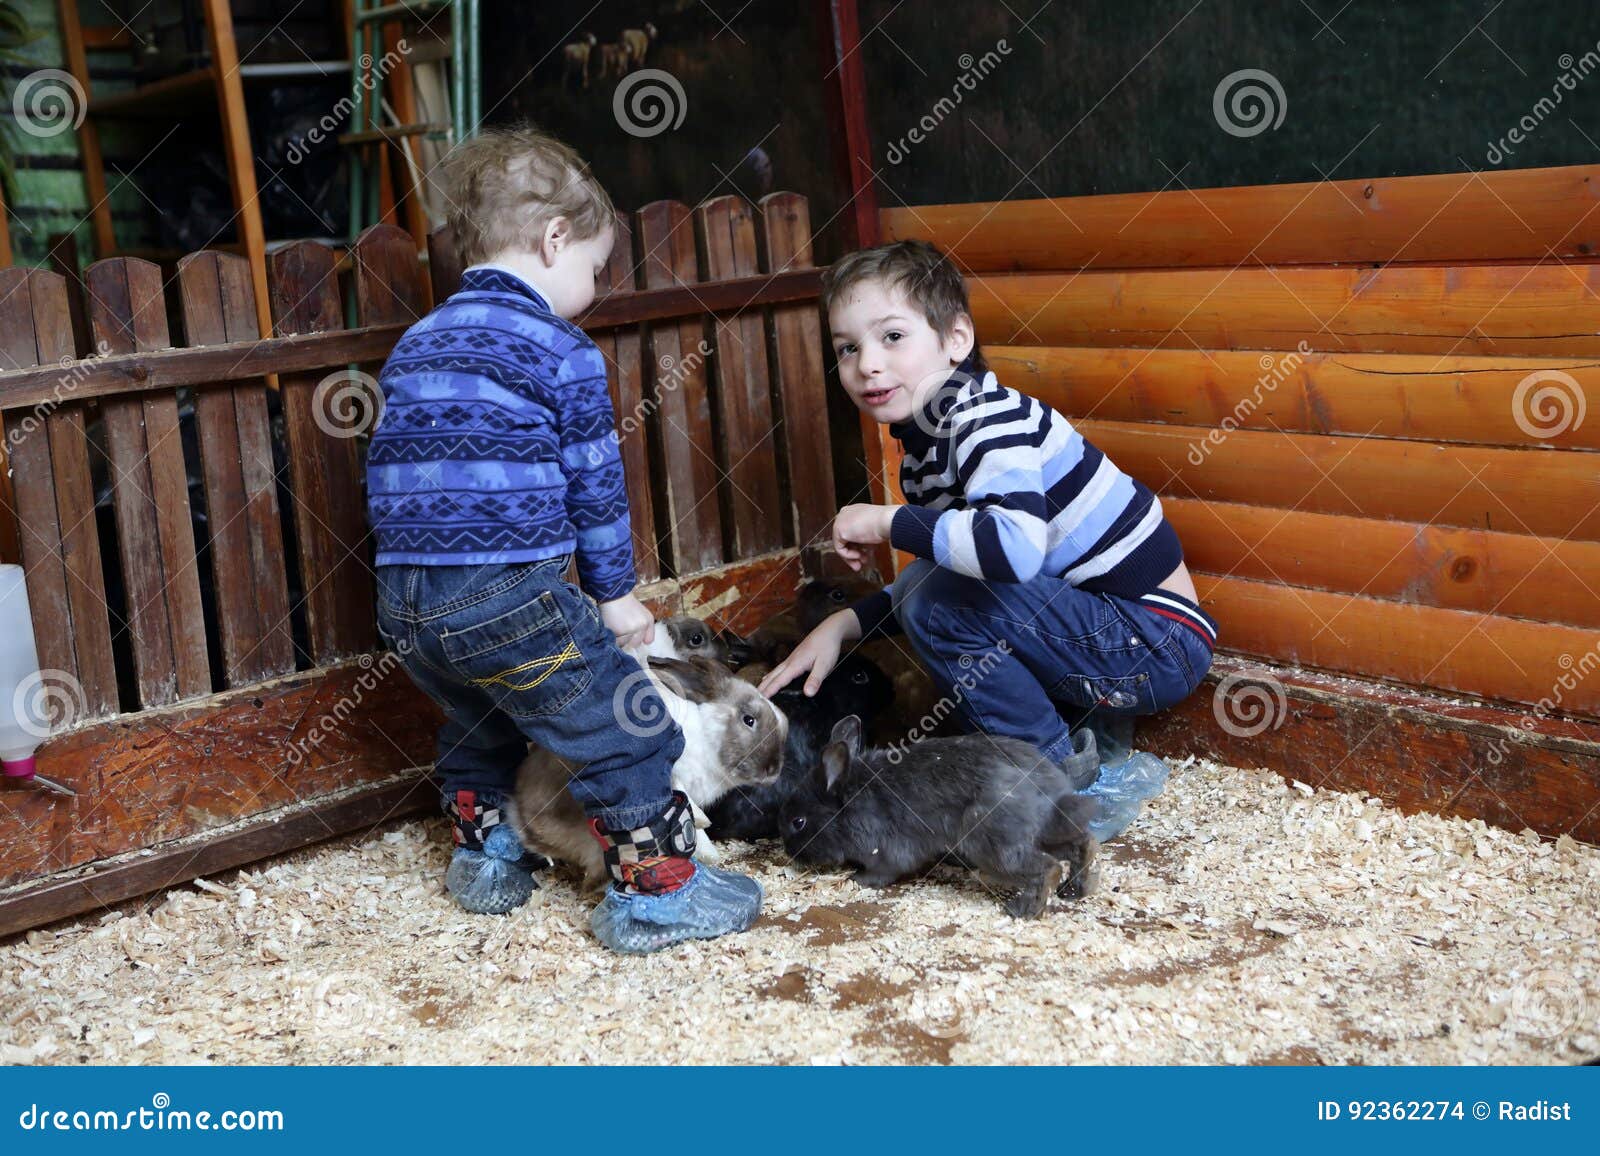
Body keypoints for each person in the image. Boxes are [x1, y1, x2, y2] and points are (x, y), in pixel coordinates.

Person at [365, 125, 760, 952]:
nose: (594, 286)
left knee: (481, 725)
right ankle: (654, 897)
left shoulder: (415, 345)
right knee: (630, 725)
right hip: (506, 590)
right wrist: (615, 598)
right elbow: (593, 484)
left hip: (406, 602)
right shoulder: (559, 348)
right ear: (554, 240)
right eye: (594, 266)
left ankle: (486, 860)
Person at [758, 240, 1217, 834]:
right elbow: (946, 566)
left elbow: (1012, 549)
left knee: (939, 600)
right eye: (848, 347)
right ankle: (1069, 743)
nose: (867, 363)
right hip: (1100, 634)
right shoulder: (925, 450)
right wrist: (843, 625)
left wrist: (885, 520)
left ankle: (1054, 785)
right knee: (935, 583)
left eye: (892, 337)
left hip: (1154, 642)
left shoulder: (985, 418)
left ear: (955, 340)